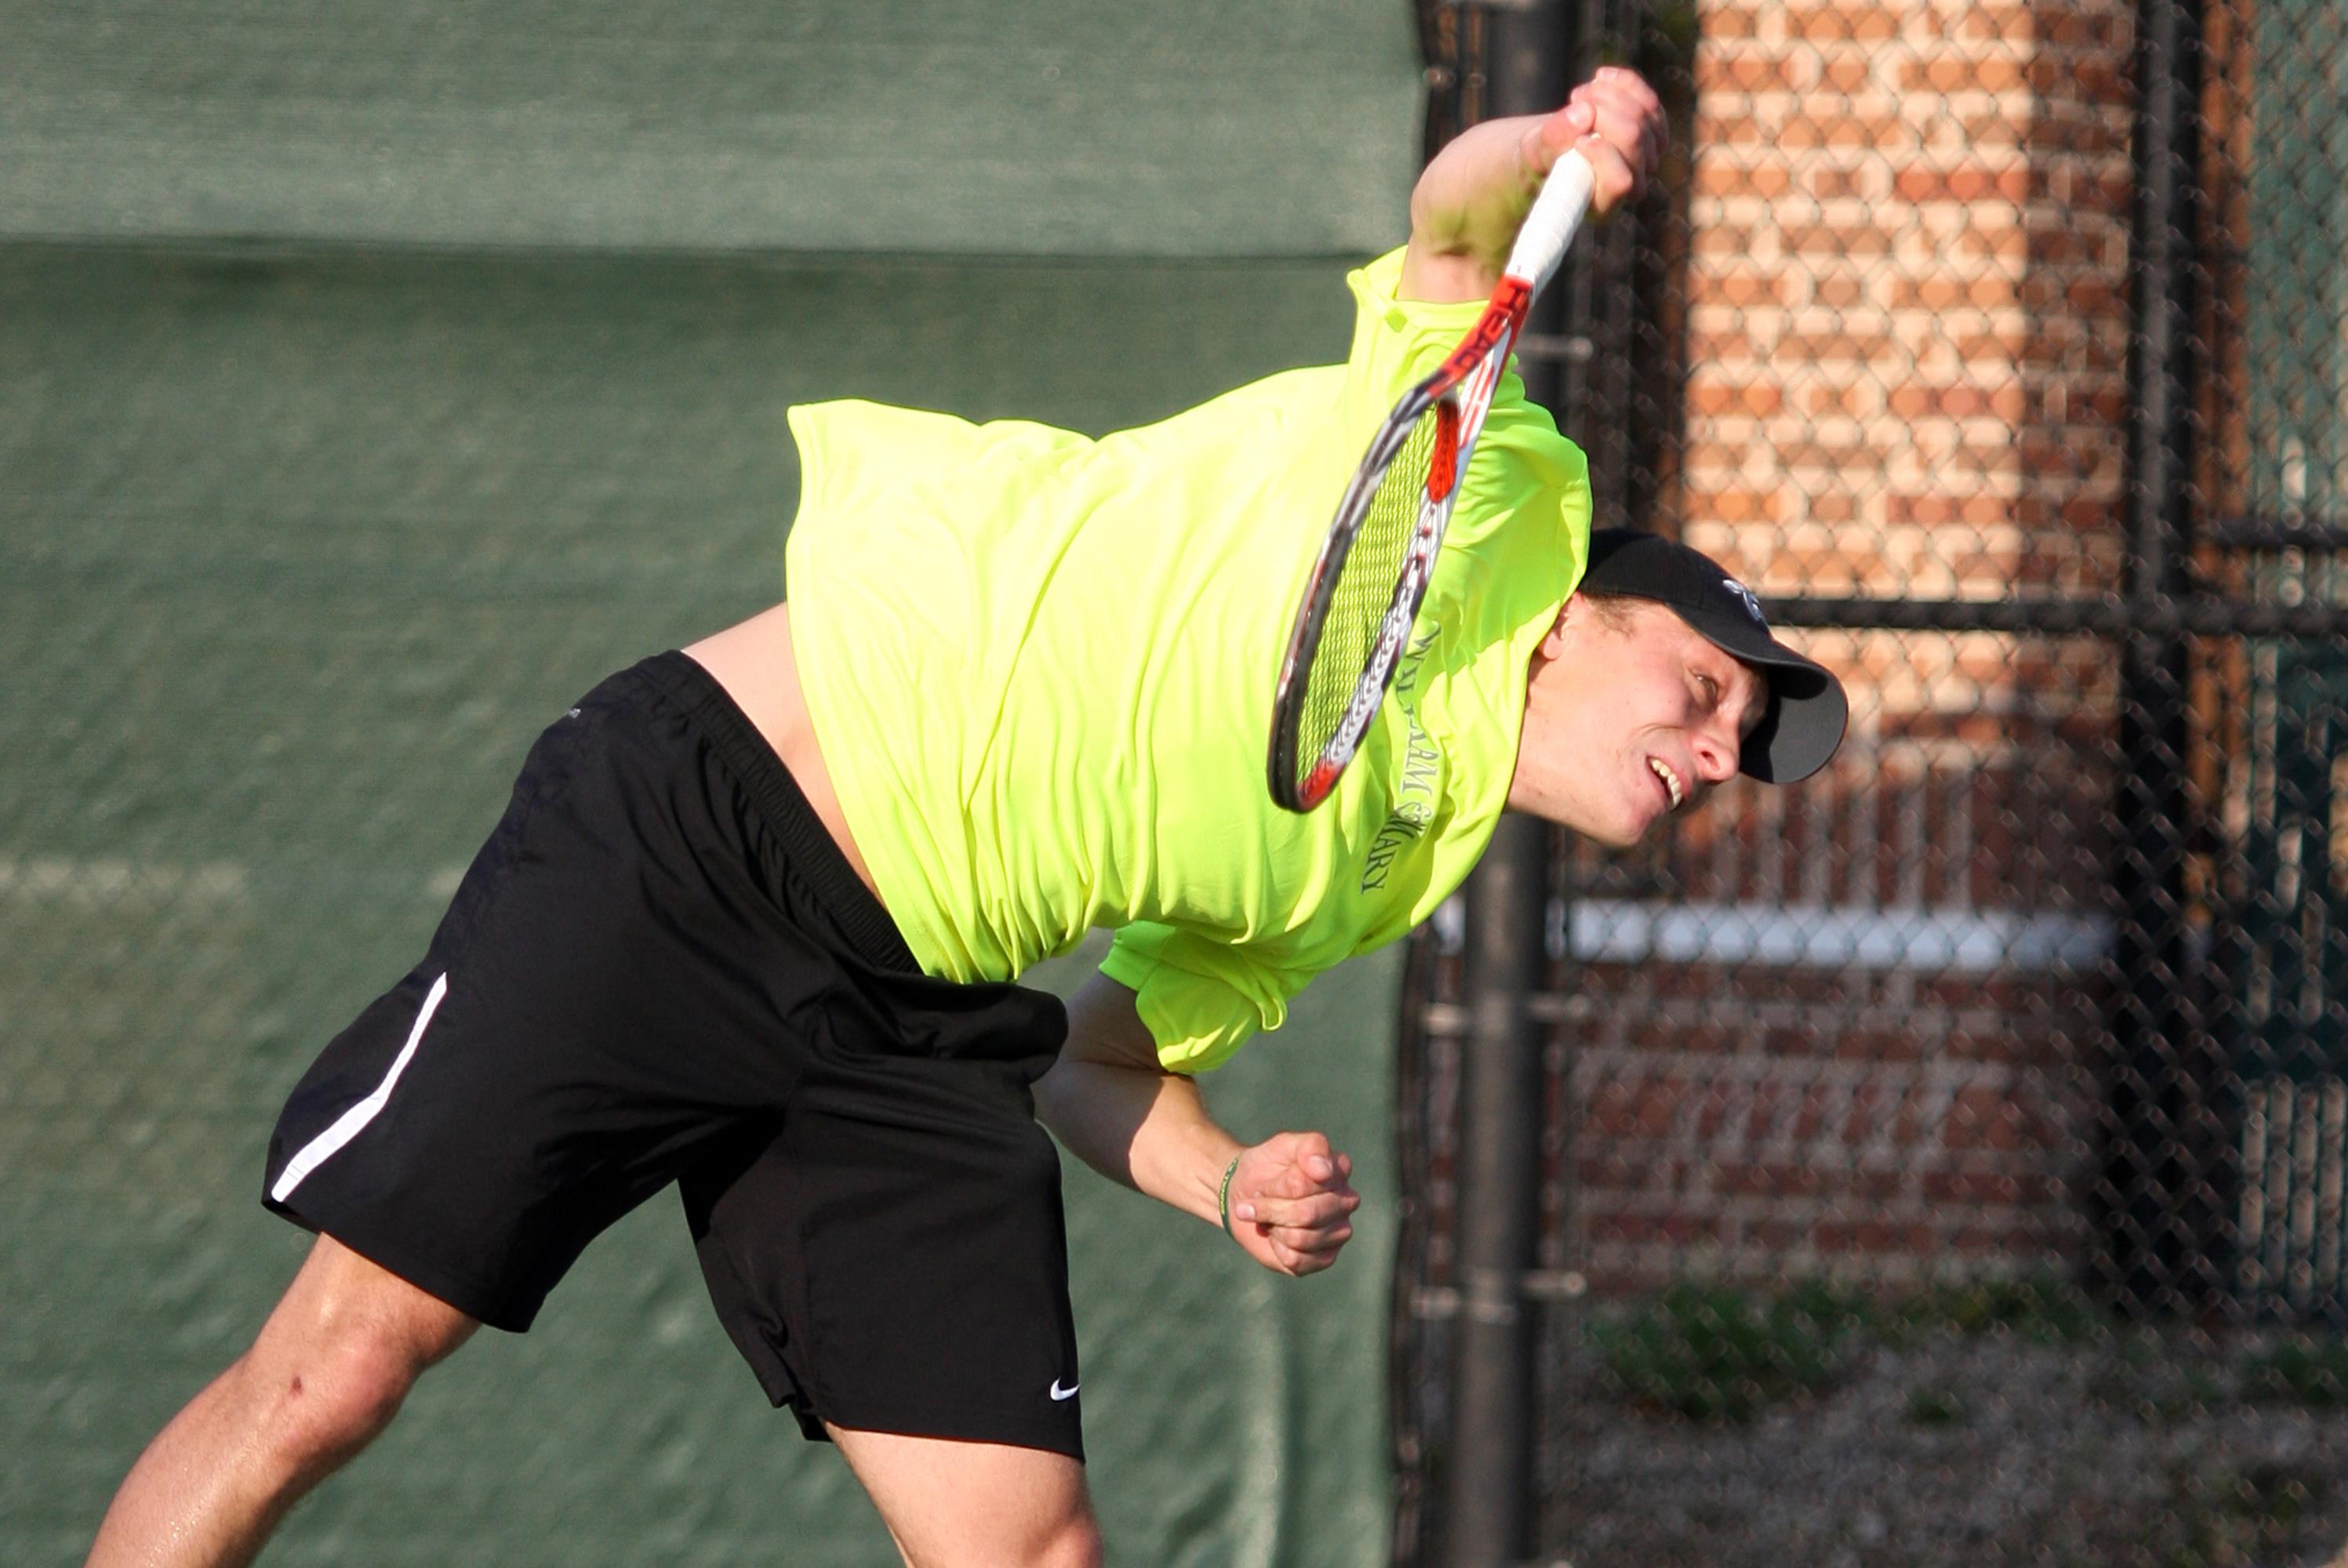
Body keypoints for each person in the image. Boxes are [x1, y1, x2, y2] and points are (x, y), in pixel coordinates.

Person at [86, 67, 1840, 1568]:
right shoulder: (1503, 486)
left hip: (908, 1009)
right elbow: (1458, 222)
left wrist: (1222, 1175)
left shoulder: (1398, 862)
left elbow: (1093, 1057)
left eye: (1741, 750)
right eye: (1707, 690)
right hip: (701, 836)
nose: (1713, 747)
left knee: (1025, 1544)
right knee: (338, 1372)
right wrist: (1555, 139)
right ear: (1600, 609)